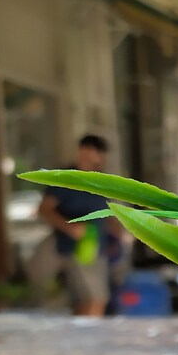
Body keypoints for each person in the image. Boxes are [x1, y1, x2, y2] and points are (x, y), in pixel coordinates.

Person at [33, 134, 116, 316]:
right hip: (75, 248)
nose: (100, 156)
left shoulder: (101, 181)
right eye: (96, 151)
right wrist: (70, 227)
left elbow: (107, 213)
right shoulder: (65, 179)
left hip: (96, 247)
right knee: (95, 299)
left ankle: (84, 338)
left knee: (93, 300)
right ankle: (87, 340)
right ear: (84, 150)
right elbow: (44, 209)